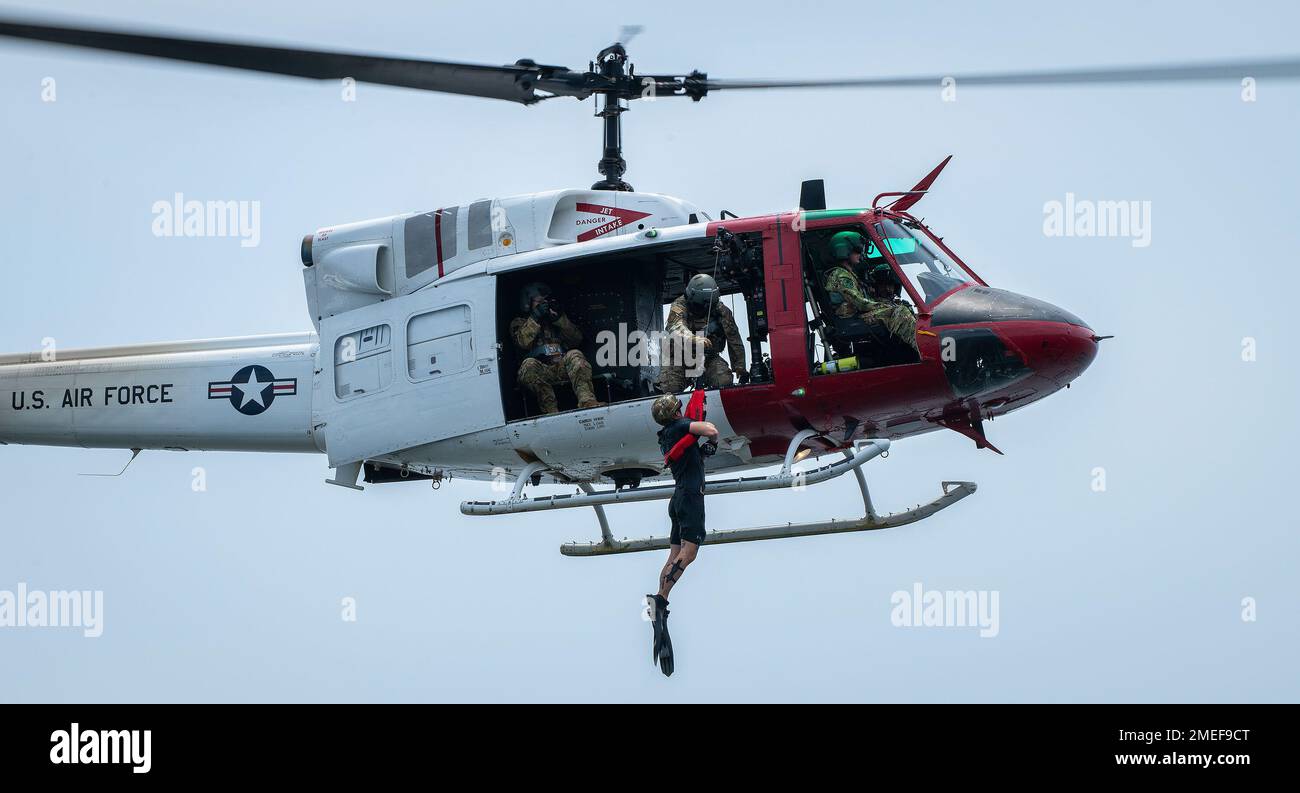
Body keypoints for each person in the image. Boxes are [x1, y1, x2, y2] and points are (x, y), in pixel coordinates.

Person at [646, 392, 718, 677]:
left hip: (677, 498)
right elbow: (710, 429)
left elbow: (689, 456)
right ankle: (660, 599)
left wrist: (703, 452)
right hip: (690, 498)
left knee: (674, 554)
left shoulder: (666, 435)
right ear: (674, 414)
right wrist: (711, 439)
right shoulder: (678, 427)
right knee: (689, 553)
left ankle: (660, 600)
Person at [509, 282, 604, 414]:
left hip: (559, 367)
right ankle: (551, 411)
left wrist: (560, 319)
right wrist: (535, 317)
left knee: (575, 354)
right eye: (540, 302)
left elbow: (576, 339)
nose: (544, 305)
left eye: (546, 301)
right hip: (538, 371)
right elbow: (522, 342)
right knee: (529, 365)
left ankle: (587, 401)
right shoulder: (519, 322)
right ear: (527, 303)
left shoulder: (554, 321)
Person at [657, 274, 748, 394]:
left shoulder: (721, 311)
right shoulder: (679, 306)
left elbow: (733, 337)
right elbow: (676, 327)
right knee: (669, 388)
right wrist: (694, 339)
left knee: (723, 381)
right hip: (679, 358)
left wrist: (739, 366)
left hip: (708, 358)